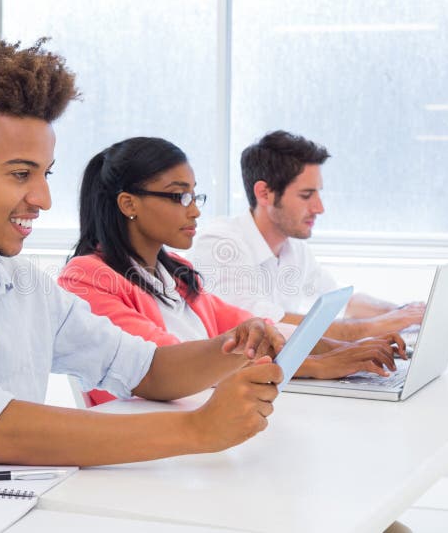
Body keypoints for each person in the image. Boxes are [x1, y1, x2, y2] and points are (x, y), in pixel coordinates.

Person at [0, 36, 285, 489]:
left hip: (12, 512)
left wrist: (234, 348)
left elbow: (146, 369)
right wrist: (198, 431)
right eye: (21, 174)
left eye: (45, 174)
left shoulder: (25, 286)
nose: (41, 198)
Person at [57, 137, 405, 405]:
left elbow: (258, 331)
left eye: (196, 197)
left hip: (201, 419)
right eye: (180, 197)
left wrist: (342, 350)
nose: (194, 212)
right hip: (147, 442)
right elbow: (165, 366)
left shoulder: (177, 273)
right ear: (128, 203)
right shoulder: (87, 278)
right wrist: (320, 366)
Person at [190, 130, 426, 342]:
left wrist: (406, 313)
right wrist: (376, 327)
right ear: (264, 193)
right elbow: (265, 327)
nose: (319, 208)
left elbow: (340, 303)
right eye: (306, 195)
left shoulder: (293, 248)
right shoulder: (221, 245)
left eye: (318, 194)